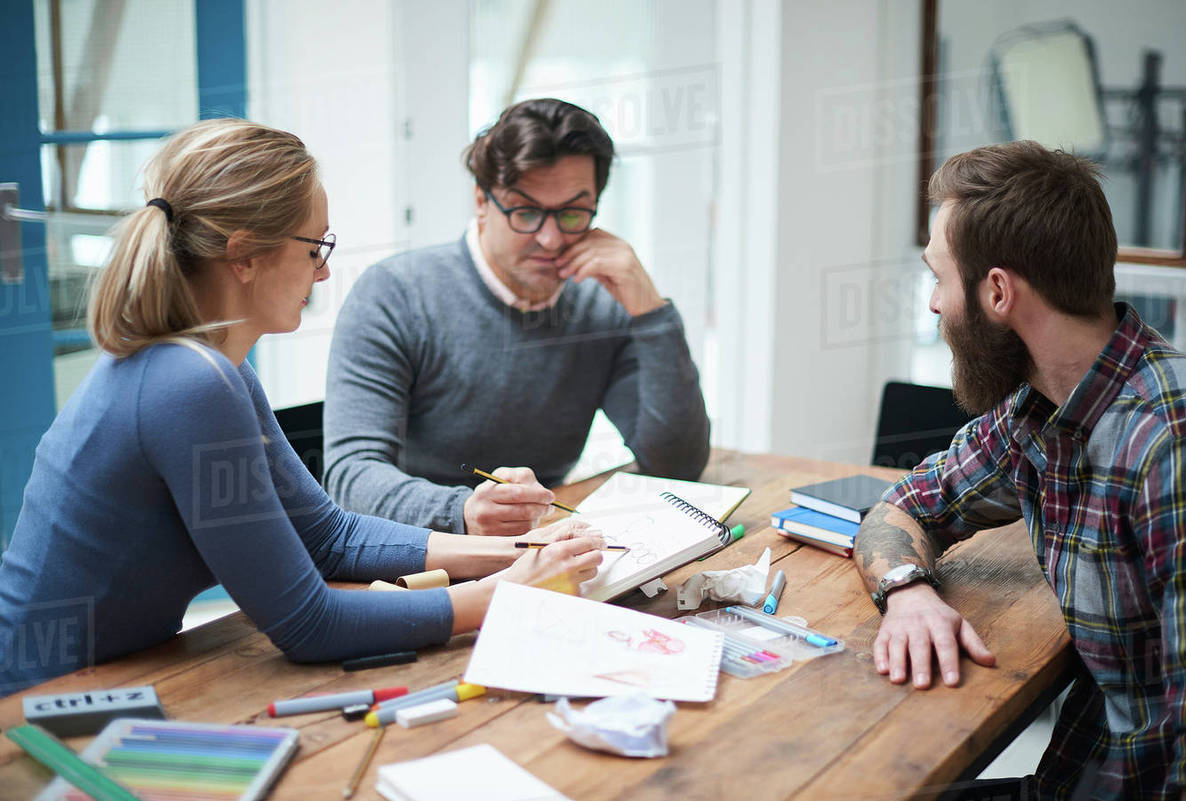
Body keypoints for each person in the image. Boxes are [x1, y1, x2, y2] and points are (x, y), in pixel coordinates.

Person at [0, 119, 603, 697]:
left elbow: (328, 537)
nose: (324, 269)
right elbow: (307, 623)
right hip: (31, 700)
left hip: (108, 676)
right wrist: (509, 591)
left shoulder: (216, 368)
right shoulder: (190, 384)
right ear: (243, 256)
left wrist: (520, 554)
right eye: (315, 247)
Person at [853, 140, 1186, 800]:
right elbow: (904, 504)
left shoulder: (1175, 443)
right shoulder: (1037, 414)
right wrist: (908, 589)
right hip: (1076, 773)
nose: (933, 304)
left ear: (998, 292)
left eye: (938, 277)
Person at [323, 98, 711, 536]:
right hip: (419, 559)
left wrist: (650, 309)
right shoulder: (395, 294)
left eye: (572, 213)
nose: (550, 239)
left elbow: (675, 466)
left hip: (544, 547)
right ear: (482, 202)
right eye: (525, 212)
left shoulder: (601, 303)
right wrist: (464, 510)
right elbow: (351, 477)